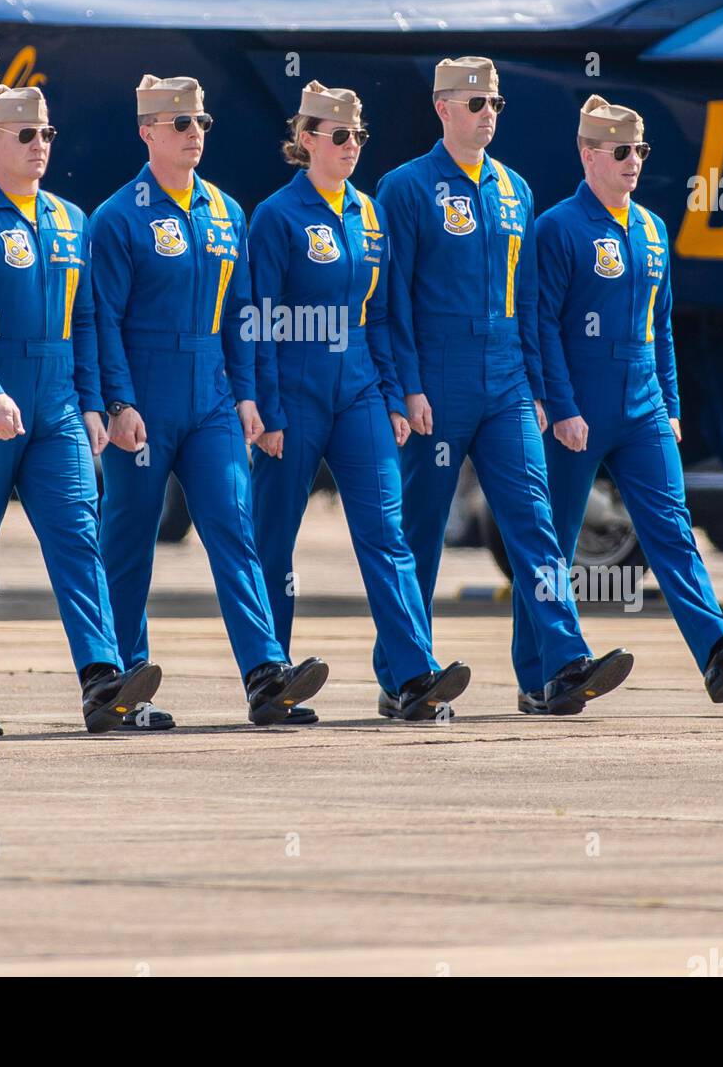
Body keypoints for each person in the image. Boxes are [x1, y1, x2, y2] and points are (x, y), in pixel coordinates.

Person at [377, 57, 633, 716]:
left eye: (494, 103)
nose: (486, 113)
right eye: (473, 103)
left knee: (534, 523)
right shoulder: (406, 188)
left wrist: (543, 388)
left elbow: (528, 301)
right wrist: (406, 387)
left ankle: (558, 665)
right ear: (442, 108)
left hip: (508, 379)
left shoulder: (515, 190)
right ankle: (405, 674)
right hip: (436, 376)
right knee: (420, 530)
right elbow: (392, 301)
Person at [0, 83, 160, 737]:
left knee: (81, 536)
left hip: (56, 404)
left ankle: (102, 678)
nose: (40, 146)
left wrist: (92, 403)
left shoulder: (69, 221)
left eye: (47, 135)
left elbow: (84, 319)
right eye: (26, 135)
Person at [90, 74, 328, 728]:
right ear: (148, 133)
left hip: (212, 398)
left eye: (201, 123)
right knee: (129, 536)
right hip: (144, 397)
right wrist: (116, 401)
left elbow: (244, 313)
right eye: (181, 124)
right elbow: (102, 318)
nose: (196, 135)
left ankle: (265, 674)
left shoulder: (226, 213)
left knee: (233, 525)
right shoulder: (117, 219)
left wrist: (250, 395)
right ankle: (118, 680)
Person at [524, 94, 723, 704]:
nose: (634, 161)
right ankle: (543, 678)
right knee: (550, 540)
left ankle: (718, 652)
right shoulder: (558, 228)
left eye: (640, 150)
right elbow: (543, 325)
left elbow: (658, 326)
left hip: (643, 404)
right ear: (589, 156)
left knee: (672, 527)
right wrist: (560, 407)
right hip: (579, 402)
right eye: (621, 151)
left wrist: (671, 403)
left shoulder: (652, 229)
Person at [248, 81, 470, 721]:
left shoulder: (369, 214)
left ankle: (412, 676)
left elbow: (386, 315)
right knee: (273, 539)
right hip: (294, 389)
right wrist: (265, 409)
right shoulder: (277, 217)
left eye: (359, 137)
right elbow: (258, 316)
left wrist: (400, 393)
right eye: (339, 136)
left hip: (360, 389)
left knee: (386, 532)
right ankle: (270, 676)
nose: (351, 148)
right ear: (307, 139)